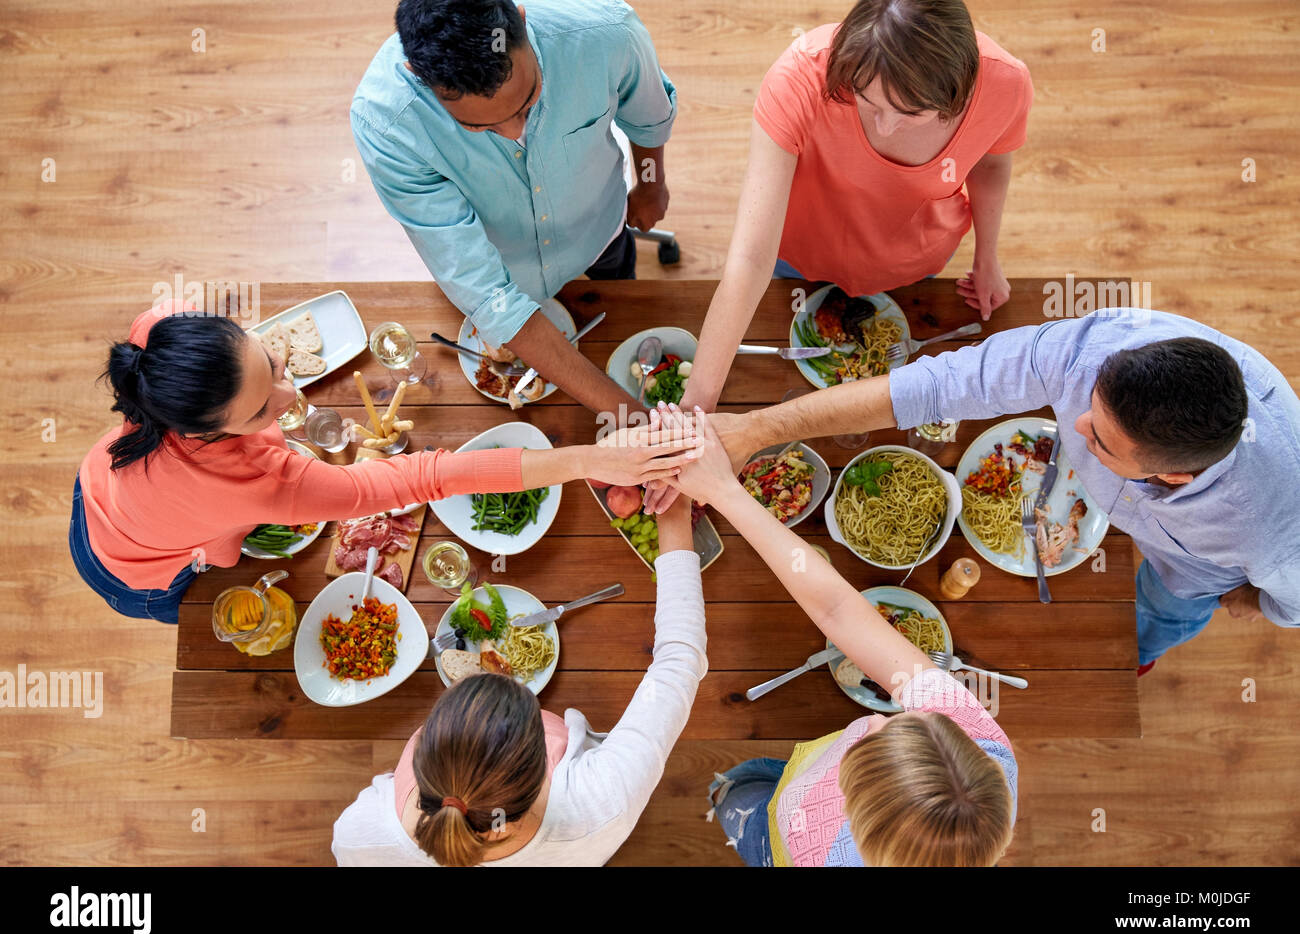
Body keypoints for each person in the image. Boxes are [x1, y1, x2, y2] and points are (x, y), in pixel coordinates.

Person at [673, 309, 1300, 672]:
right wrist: (758, 427)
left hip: (1194, 567)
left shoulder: (1275, 527)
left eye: (1100, 441)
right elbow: (934, 384)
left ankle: (1141, 650)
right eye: (1086, 408)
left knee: (1160, 615)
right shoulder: (1093, 351)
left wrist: (1257, 600)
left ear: (1172, 478)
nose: (1073, 430)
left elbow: (1293, 599)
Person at [71, 301, 697, 624]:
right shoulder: (263, 483)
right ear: (203, 429)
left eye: (276, 365)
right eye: (265, 410)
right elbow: (430, 476)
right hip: (134, 572)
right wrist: (588, 458)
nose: (294, 399)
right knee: (214, 581)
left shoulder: (153, 345)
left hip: (97, 485)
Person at [654, 404, 1015, 866]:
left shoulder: (818, 855)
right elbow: (839, 608)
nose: (877, 718)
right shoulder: (981, 752)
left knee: (735, 800)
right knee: (757, 776)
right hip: (808, 776)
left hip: (779, 839)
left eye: (877, 737)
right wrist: (724, 490)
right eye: (908, 721)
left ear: (854, 813)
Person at [678, 0, 1033, 423]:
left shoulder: (1005, 83)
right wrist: (697, 403)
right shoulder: (798, 79)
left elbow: (991, 163)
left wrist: (987, 257)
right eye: (866, 99)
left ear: (956, 93)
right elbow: (751, 258)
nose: (883, 128)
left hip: (916, 256)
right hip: (803, 250)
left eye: (910, 113)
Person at [331, 497, 705, 866]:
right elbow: (679, 661)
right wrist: (673, 513)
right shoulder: (602, 800)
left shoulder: (359, 838)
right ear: (540, 763)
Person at [352, 0, 677, 413]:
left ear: (520, 21)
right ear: (420, 76)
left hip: (600, 228)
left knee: (622, 298)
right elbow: (486, 292)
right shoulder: (385, 123)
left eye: (528, 102)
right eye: (479, 126)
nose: (515, 131)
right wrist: (627, 416)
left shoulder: (606, 33)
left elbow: (648, 117)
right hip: (506, 268)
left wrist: (650, 185)